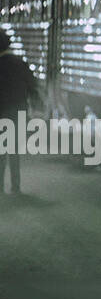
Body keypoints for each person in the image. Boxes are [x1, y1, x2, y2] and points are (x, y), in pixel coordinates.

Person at [0, 30, 43, 194]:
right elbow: (32, 86)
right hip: (19, 112)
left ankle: (0, 187)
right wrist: (36, 106)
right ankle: (16, 186)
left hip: (2, 112)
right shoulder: (20, 63)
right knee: (14, 151)